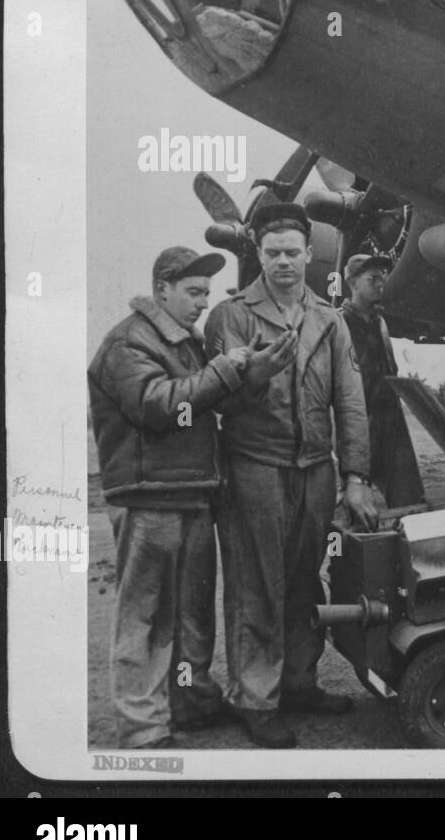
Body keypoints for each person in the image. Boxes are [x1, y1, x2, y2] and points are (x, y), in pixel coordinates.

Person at [88, 246, 288, 749]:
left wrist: (252, 378)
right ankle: (142, 730)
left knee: (192, 612)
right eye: (193, 292)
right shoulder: (127, 342)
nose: (203, 303)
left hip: (192, 490)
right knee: (147, 617)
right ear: (162, 290)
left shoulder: (184, 342)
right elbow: (159, 408)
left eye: (205, 293)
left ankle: (191, 698)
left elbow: (203, 406)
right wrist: (226, 369)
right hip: (148, 496)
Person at [205, 202, 376, 748]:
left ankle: (300, 682)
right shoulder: (230, 317)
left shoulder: (330, 320)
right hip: (255, 466)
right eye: (272, 252)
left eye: (292, 252)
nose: (283, 262)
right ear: (258, 253)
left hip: (316, 472)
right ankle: (255, 699)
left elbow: (350, 402)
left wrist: (355, 476)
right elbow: (217, 406)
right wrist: (250, 376)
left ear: (309, 254)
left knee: (305, 581)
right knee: (257, 585)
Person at [340, 253, 426, 509]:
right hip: (357, 423)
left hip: (390, 421)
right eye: (372, 279)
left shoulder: (381, 323)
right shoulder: (337, 323)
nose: (381, 284)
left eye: (383, 278)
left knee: (408, 498)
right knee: (351, 505)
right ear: (353, 283)